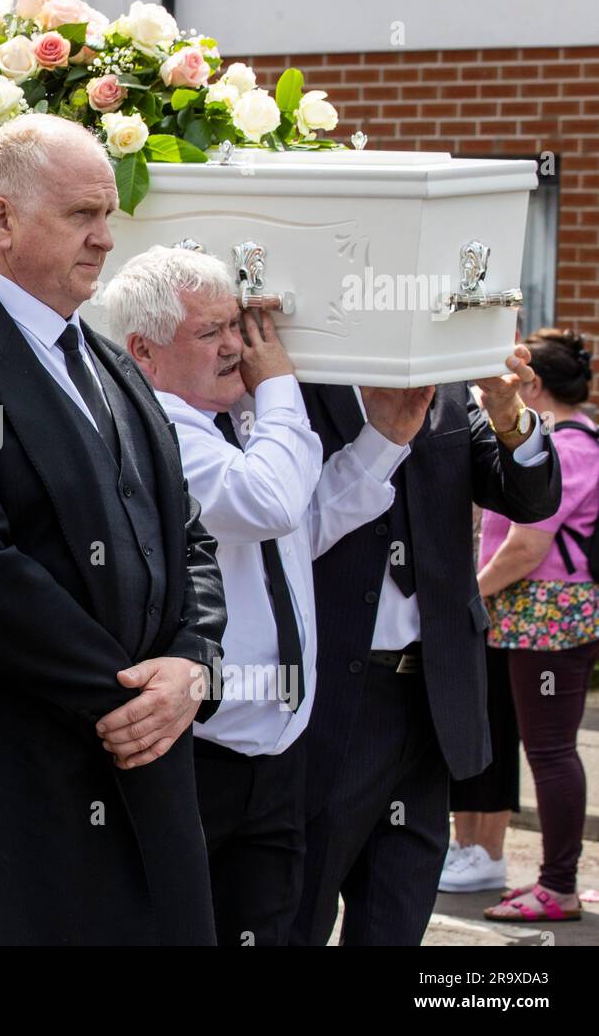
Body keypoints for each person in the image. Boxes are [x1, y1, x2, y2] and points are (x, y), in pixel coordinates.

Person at [0, 115, 227, 946]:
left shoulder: (107, 366)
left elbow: (188, 538)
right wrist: (133, 694)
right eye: (80, 215)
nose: (105, 239)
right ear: (1, 220)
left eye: (109, 215)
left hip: (143, 756)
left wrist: (190, 665)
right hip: (6, 768)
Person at [106, 245, 429, 945]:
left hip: (277, 748)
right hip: (197, 750)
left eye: (237, 326)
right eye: (211, 333)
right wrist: (282, 387)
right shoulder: (153, 428)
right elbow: (269, 502)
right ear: (144, 351)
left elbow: (295, 533)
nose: (238, 349)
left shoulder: (235, 423)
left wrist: (385, 441)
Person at [291, 342, 562, 945]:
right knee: (302, 903)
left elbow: (532, 498)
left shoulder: (446, 395)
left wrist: (507, 410)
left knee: (398, 911)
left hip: (435, 693)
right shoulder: (302, 388)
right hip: (335, 693)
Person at [474, 329, 596, 923]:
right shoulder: (583, 438)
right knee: (553, 751)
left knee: (549, 753)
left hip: (544, 615)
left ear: (535, 385)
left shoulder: (565, 449)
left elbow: (526, 546)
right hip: (548, 613)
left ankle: (557, 886)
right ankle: (561, 880)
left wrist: (466, 596)